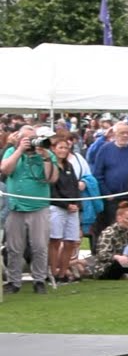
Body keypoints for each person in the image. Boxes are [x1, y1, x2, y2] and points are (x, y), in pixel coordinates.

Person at [2, 125, 57, 294]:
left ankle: (39, 280)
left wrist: (46, 158)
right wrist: (19, 150)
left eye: (33, 138)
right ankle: (14, 282)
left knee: (40, 246)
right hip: (15, 207)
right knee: (14, 247)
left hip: (38, 207)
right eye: (27, 139)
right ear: (19, 139)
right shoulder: (12, 151)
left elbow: (52, 178)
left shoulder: (46, 154)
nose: (32, 142)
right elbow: (5, 169)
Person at [47, 134, 83, 284]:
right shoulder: (51, 166)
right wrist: (65, 204)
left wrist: (75, 204)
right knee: (55, 240)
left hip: (72, 208)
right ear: (54, 149)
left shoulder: (69, 166)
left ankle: (63, 273)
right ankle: (52, 272)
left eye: (66, 147)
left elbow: (75, 186)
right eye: (60, 147)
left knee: (71, 241)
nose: (63, 150)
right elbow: (52, 189)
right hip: (57, 207)